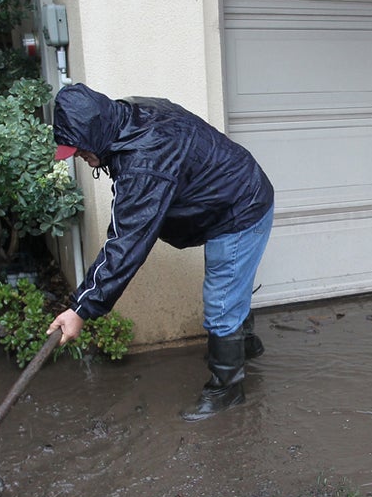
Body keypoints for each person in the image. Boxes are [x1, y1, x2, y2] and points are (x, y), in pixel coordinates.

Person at [46, 83, 274, 421]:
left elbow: (126, 243)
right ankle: (243, 345)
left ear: (95, 132)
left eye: (79, 150)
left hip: (241, 206)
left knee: (221, 298)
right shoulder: (129, 115)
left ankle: (228, 389)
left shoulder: (144, 160)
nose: (79, 157)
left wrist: (80, 309)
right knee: (229, 289)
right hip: (231, 189)